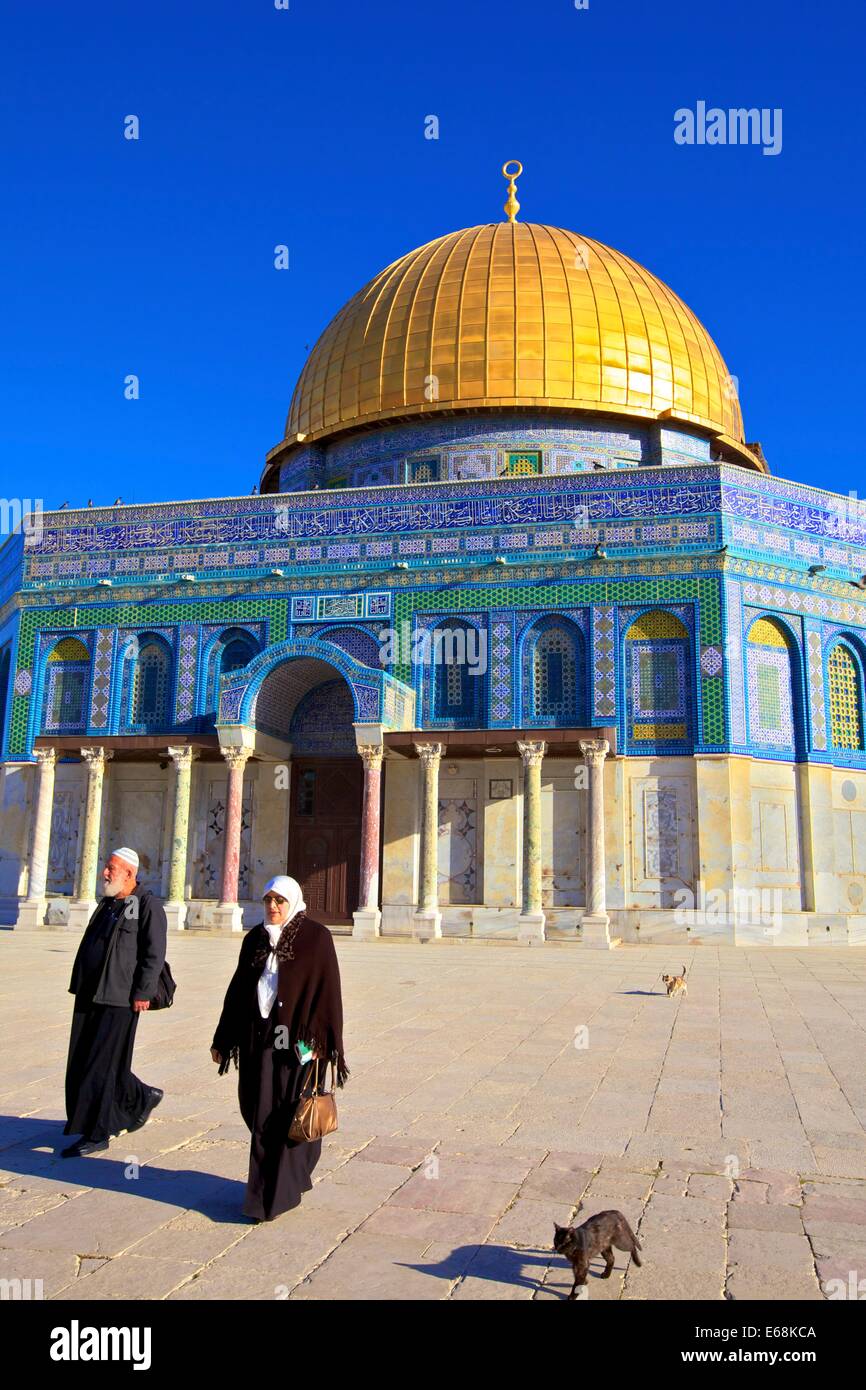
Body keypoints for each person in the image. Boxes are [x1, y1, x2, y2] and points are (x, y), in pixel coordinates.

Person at [211, 875, 348, 1222]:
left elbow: (327, 991)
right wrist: (223, 1040)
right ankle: (284, 1182)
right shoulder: (254, 939)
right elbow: (238, 992)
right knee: (258, 1110)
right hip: (261, 1036)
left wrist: (321, 1043)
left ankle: (266, 1199)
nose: (272, 907)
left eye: (279, 901)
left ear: (292, 903)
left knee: (289, 1112)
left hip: (297, 1041)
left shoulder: (316, 939)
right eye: (268, 900)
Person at [61, 848, 166, 1158]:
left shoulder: (147, 905)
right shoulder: (108, 903)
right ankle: (142, 1096)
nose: (104, 873)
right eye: (106, 868)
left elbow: (154, 953)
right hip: (90, 994)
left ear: (130, 875)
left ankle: (98, 1132)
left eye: (111, 869)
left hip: (120, 998)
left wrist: (143, 993)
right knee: (84, 1060)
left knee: (101, 1066)